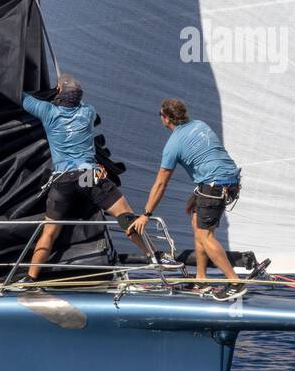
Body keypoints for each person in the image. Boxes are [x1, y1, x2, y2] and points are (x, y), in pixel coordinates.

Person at [16, 75, 177, 288]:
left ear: (59, 94)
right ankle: (152, 255)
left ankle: (31, 277)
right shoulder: (88, 112)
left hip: (63, 179)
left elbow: (21, 97)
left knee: (50, 231)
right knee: (125, 217)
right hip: (88, 176)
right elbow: (77, 102)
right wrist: (63, 91)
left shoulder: (48, 113)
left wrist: (52, 90)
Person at [129, 98, 245, 300]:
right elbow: (211, 159)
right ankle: (201, 278)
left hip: (215, 186)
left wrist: (146, 214)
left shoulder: (173, 144)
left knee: (205, 236)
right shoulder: (200, 125)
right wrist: (197, 194)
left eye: (160, 115)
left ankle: (234, 281)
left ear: (166, 118)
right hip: (229, 181)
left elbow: (160, 184)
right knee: (196, 223)